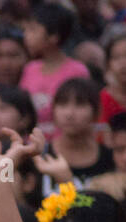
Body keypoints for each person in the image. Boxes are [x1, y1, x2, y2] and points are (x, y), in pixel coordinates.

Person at [19, 2, 89, 130]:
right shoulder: (30, 69)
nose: (26, 36)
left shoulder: (77, 71)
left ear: (53, 37)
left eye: (33, 29)